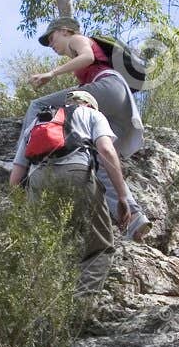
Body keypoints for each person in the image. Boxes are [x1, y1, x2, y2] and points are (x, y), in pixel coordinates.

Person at [19, 19, 150, 238]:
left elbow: (87, 57)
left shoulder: (77, 39)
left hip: (107, 87)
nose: (51, 45)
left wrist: (51, 74)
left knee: (38, 105)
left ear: (65, 31)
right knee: (99, 159)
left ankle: (25, 160)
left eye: (52, 38)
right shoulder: (78, 53)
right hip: (119, 100)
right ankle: (135, 218)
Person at [9, 89, 132, 294]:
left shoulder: (38, 122)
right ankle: (81, 302)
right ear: (90, 104)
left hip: (38, 178)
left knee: (43, 245)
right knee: (99, 246)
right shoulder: (92, 114)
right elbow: (106, 150)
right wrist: (122, 196)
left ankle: (41, 302)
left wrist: (22, 210)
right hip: (76, 172)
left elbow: (15, 177)